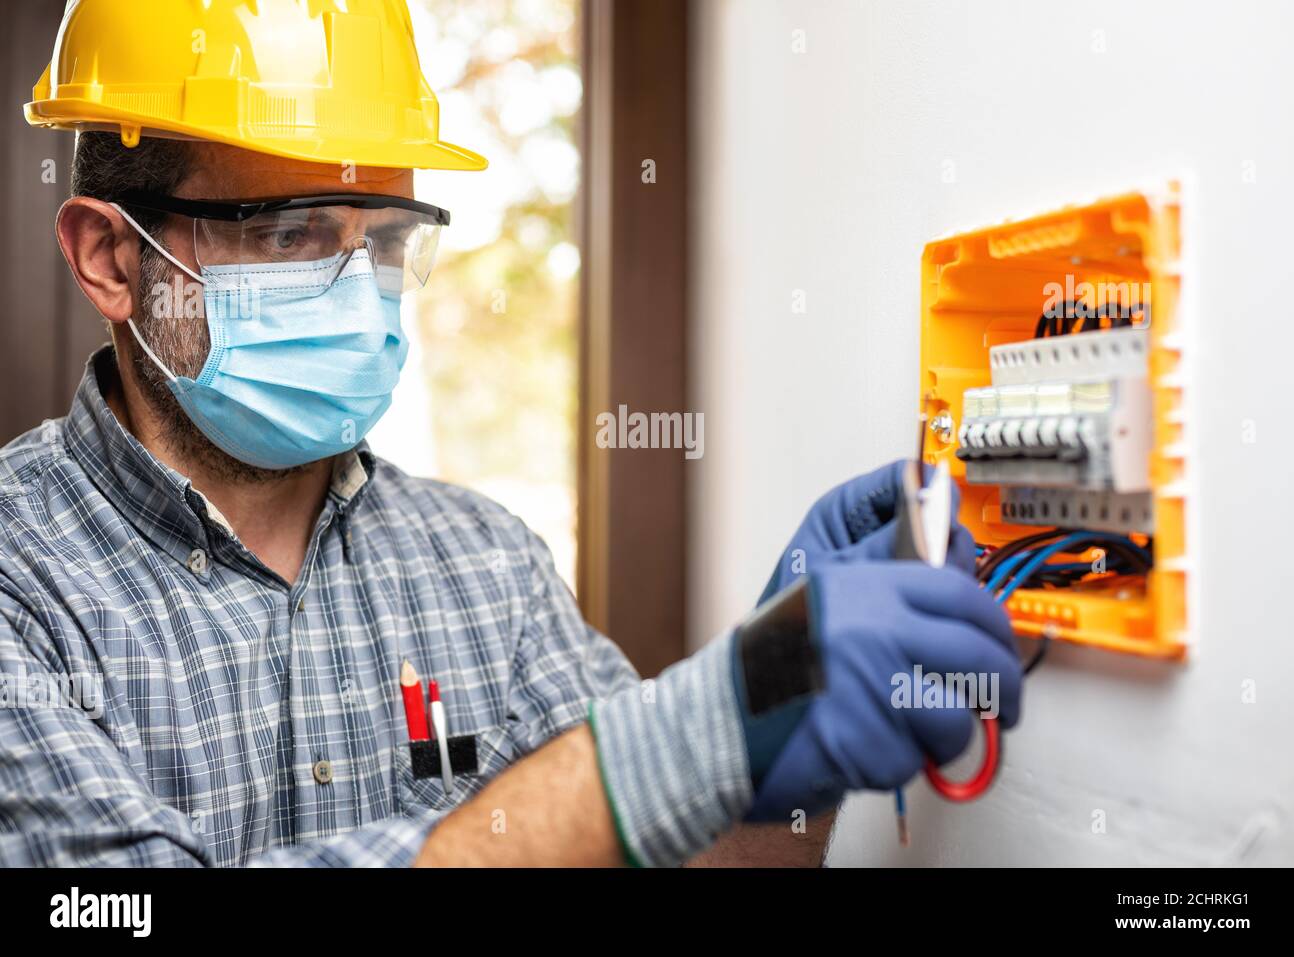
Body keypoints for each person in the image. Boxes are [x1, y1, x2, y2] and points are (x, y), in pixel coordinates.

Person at [0, 0, 1020, 867]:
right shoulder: (21, 576)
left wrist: (779, 700)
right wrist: (675, 744)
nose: (361, 296)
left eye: (386, 241)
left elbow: (677, 856)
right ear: (110, 258)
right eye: (290, 232)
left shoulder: (487, 565)